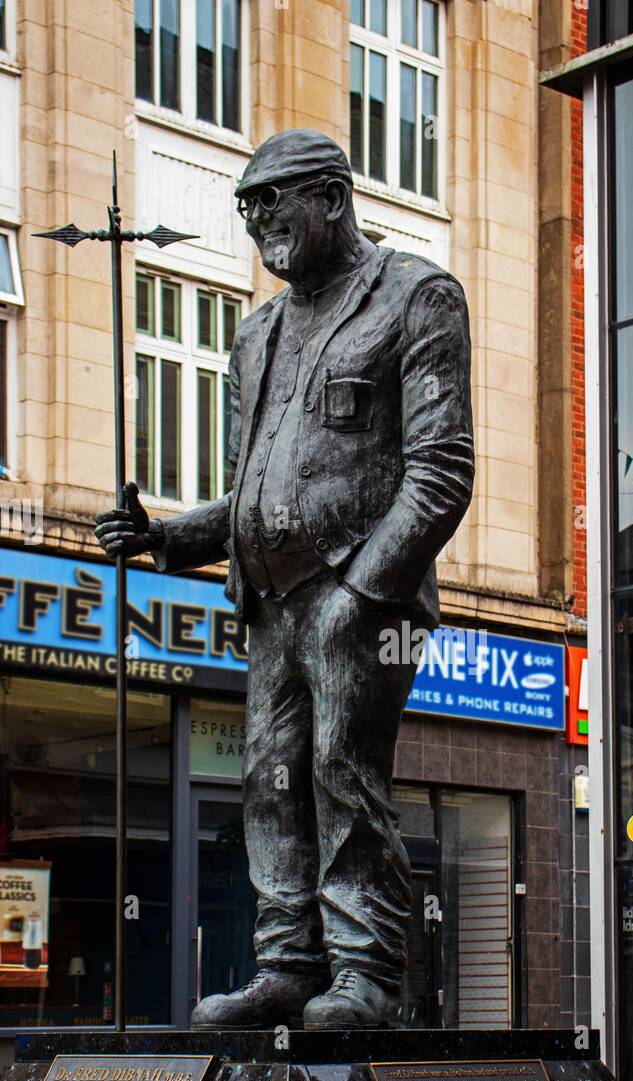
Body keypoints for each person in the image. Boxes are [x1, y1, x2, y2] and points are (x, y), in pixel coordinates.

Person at [95, 129, 474, 1029]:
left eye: (272, 201)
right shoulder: (258, 331)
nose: (257, 221)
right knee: (269, 780)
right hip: (271, 601)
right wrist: (163, 536)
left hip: (365, 599)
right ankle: (288, 964)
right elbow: (256, 491)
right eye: (246, 205)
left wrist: (362, 595)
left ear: (332, 199)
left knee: (344, 774)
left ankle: (365, 975)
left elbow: (441, 472)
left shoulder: (416, 296)